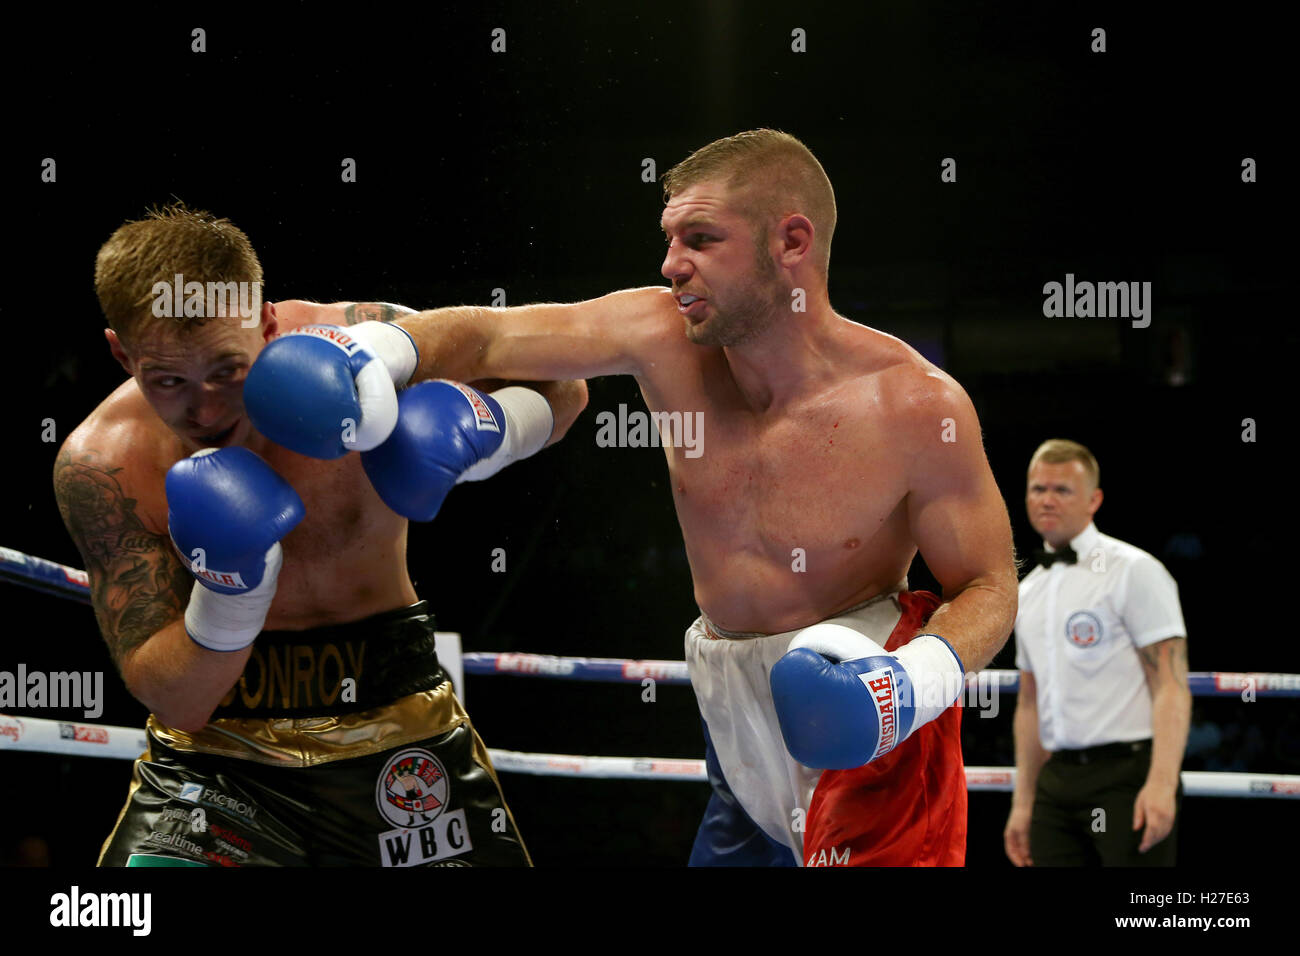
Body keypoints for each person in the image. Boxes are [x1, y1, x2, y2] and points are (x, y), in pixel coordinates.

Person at [249, 130, 1019, 866]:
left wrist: (910, 683)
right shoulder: (660, 334)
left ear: (792, 242)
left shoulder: (914, 405)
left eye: (701, 239)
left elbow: (989, 583)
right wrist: (377, 352)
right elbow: (491, 336)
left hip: (861, 699)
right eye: (670, 239)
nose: (672, 264)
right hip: (730, 709)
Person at [53, 203, 586, 866]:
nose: (206, 408)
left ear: (267, 323)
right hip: (216, 762)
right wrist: (231, 592)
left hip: (400, 728)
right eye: (168, 381)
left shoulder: (365, 348)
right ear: (121, 353)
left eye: (226, 369)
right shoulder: (104, 465)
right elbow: (177, 700)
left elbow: (567, 387)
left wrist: (491, 428)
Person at [1004, 439, 1190, 866]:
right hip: (1055, 782)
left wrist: (1162, 782)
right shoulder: (1027, 592)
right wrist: (1023, 801)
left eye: (1062, 490)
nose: (1047, 500)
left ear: (1094, 500)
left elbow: (1171, 686)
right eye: (1038, 489)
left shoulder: (1135, 571)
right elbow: (1029, 703)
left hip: (1127, 775)